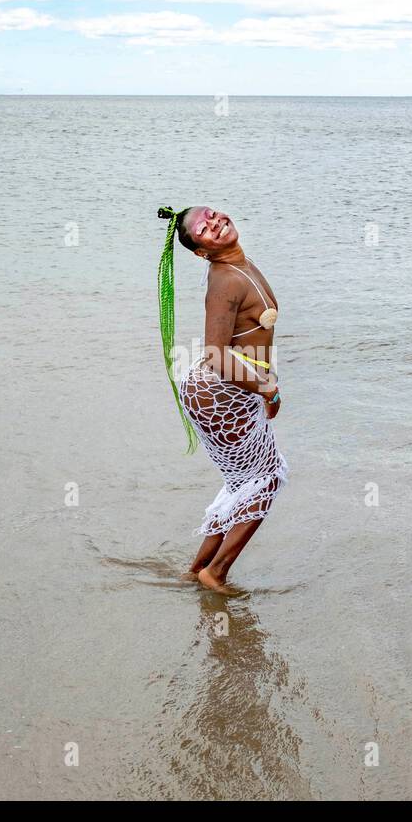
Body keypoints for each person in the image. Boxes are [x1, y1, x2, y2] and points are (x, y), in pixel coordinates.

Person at [155, 206, 288, 593]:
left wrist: (264, 380)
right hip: (220, 390)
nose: (214, 223)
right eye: (203, 228)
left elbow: (246, 341)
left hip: (227, 389)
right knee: (267, 479)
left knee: (241, 482)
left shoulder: (240, 263)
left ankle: (198, 568)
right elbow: (216, 354)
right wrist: (268, 388)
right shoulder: (226, 279)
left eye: (212, 215)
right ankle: (216, 573)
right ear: (201, 252)